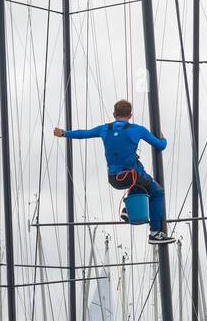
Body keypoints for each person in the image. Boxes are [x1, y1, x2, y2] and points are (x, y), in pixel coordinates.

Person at [54, 99, 171, 243]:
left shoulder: (105, 129)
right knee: (157, 192)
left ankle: (127, 211)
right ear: (130, 115)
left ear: (114, 114)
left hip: (113, 178)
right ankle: (155, 233)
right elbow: (160, 145)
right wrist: (164, 139)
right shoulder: (137, 129)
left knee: (142, 183)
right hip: (131, 176)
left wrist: (64, 133)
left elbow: (83, 133)